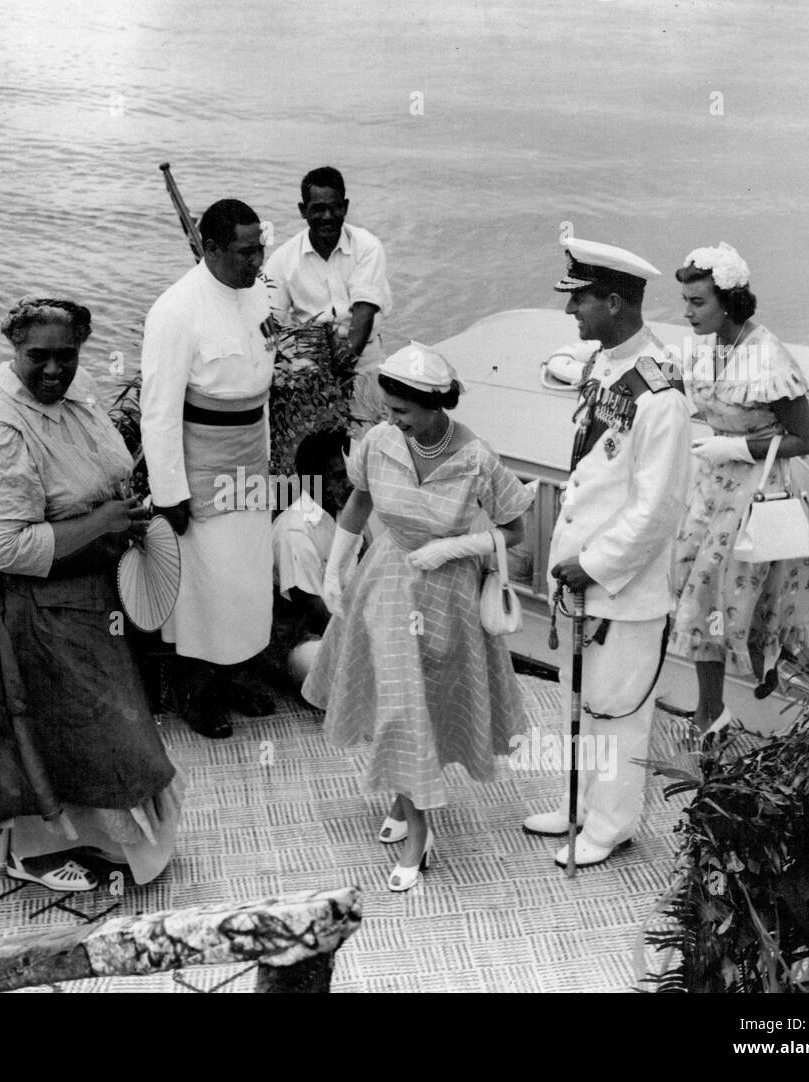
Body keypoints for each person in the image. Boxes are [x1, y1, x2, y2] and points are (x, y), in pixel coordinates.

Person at [0, 297, 184, 892]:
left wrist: (124, 521)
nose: (54, 369)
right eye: (39, 357)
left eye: (67, 356)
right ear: (14, 350)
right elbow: (4, 548)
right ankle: (35, 852)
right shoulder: (1, 425)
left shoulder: (71, 399)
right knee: (76, 731)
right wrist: (104, 524)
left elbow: (104, 475)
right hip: (41, 606)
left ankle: (98, 843)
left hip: (93, 597)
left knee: (91, 730)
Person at [302, 343, 533, 892]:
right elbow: (358, 502)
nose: (392, 421)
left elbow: (516, 533)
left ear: (436, 405)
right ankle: (418, 828)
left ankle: (408, 808)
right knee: (396, 701)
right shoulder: (380, 443)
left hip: (447, 592)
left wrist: (455, 549)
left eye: (403, 412)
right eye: (387, 410)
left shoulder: (478, 458)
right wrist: (336, 568)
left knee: (422, 706)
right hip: (385, 580)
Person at [521, 238, 693, 869]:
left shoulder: (662, 396)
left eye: (582, 300)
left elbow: (659, 508)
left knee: (617, 711)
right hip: (582, 577)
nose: (572, 313)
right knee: (581, 698)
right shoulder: (603, 365)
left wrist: (592, 565)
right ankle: (577, 804)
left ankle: (611, 825)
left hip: (622, 586)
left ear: (615, 301)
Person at [670, 244, 809, 735]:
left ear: (728, 301)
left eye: (697, 302)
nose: (687, 312)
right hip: (712, 487)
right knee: (697, 589)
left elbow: (808, 439)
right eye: (685, 301)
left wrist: (737, 449)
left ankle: (717, 706)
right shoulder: (709, 346)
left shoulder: (767, 357)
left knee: (716, 595)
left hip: (755, 489)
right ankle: (713, 706)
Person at [141, 199, 278, 739]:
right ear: (211, 248)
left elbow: (260, 393)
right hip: (200, 469)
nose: (256, 259)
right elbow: (159, 409)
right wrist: (169, 492)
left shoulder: (258, 296)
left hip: (249, 463)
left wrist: (267, 466)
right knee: (209, 587)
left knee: (247, 582)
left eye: (260, 247)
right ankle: (197, 693)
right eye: (245, 251)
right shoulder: (176, 311)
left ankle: (235, 674)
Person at [265, 166, 393, 439]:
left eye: (334, 208)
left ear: (345, 207)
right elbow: (271, 325)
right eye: (318, 208)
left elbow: (364, 315)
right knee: (315, 456)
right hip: (309, 370)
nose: (327, 216)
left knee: (365, 445)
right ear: (303, 210)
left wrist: (336, 378)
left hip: (364, 364)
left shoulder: (367, 246)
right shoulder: (283, 259)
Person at [269, 428, 351, 687]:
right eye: (339, 476)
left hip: (337, 625)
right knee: (341, 677)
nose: (350, 484)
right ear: (315, 481)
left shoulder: (345, 513)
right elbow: (314, 610)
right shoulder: (295, 529)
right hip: (297, 639)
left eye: (352, 474)